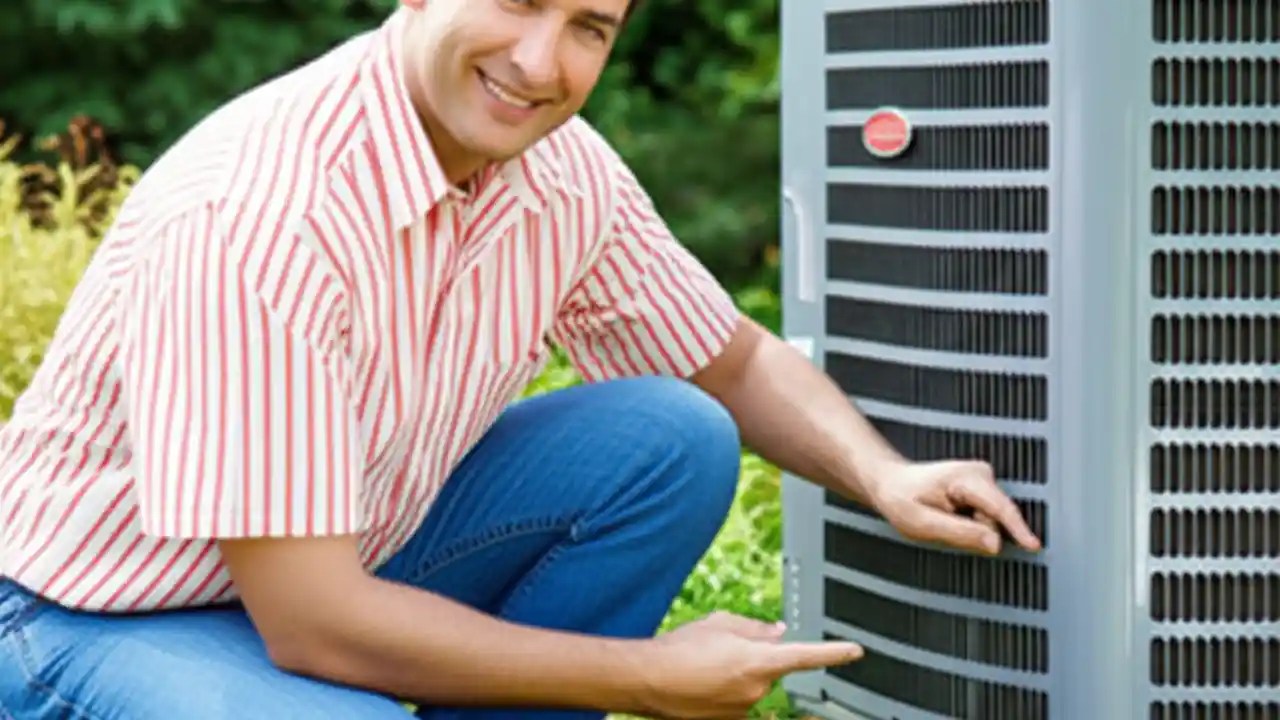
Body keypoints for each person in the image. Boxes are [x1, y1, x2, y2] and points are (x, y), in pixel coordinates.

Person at [0, 0, 1042, 717]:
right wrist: (640, 678)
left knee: (667, 436)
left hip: (335, 553)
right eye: (515, 1)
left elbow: (726, 363)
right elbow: (313, 624)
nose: (540, 63)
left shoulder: (561, 171)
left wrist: (881, 472)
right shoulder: (257, 217)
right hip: (85, 616)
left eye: (587, 25)